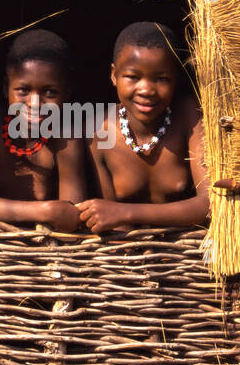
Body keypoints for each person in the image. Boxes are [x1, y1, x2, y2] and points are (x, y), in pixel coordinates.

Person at [78, 21, 208, 232]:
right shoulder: (97, 132)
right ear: (113, 75)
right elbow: (107, 222)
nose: (146, 89)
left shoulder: (189, 116)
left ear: (176, 79)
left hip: (188, 252)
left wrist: (124, 212)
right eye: (132, 77)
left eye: (162, 79)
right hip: (125, 258)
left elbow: (210, 205)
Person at [0, 28, 86, 231]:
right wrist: (45, 211)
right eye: (23, 90)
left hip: (49, 250)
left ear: (67, 93)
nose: (35, 103)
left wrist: (55, 214)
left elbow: (70, 218)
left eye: (50, 92)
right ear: (5, 87)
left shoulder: (67, 135)